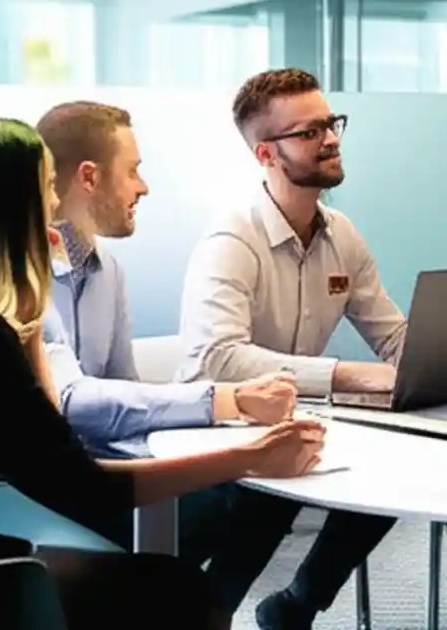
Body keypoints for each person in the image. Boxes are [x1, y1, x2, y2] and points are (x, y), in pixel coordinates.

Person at [0, 118, 325, 630]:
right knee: (177, 591)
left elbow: (43, 439)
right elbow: (85, 489)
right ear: (10, 209)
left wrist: (27, 312)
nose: (54, 207)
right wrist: (249, 458)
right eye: (44, 191)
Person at [34, 100, 312, 620]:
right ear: (89, 177)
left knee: (272, 484)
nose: (144, 187)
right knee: (239, 504)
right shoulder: (24, 273)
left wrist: (203, 450)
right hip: (50, 483)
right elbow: (72, 401)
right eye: (134, 170)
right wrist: (225, 401)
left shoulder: (108, 269)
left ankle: (210, 614)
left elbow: (121, 389)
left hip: (103, 464)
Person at [174, 68, 407, 630]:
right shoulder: (233, 239)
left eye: (331, 124)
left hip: (293, 421)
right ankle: (211, 613)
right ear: (265, 155)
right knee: (270, 489)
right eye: (309, 132)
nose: (330, 139)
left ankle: (296, 606)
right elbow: (217, 359)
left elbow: (391, 334)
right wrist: (351, 375)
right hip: (214, 432)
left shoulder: (340, 233)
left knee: (396, 470)